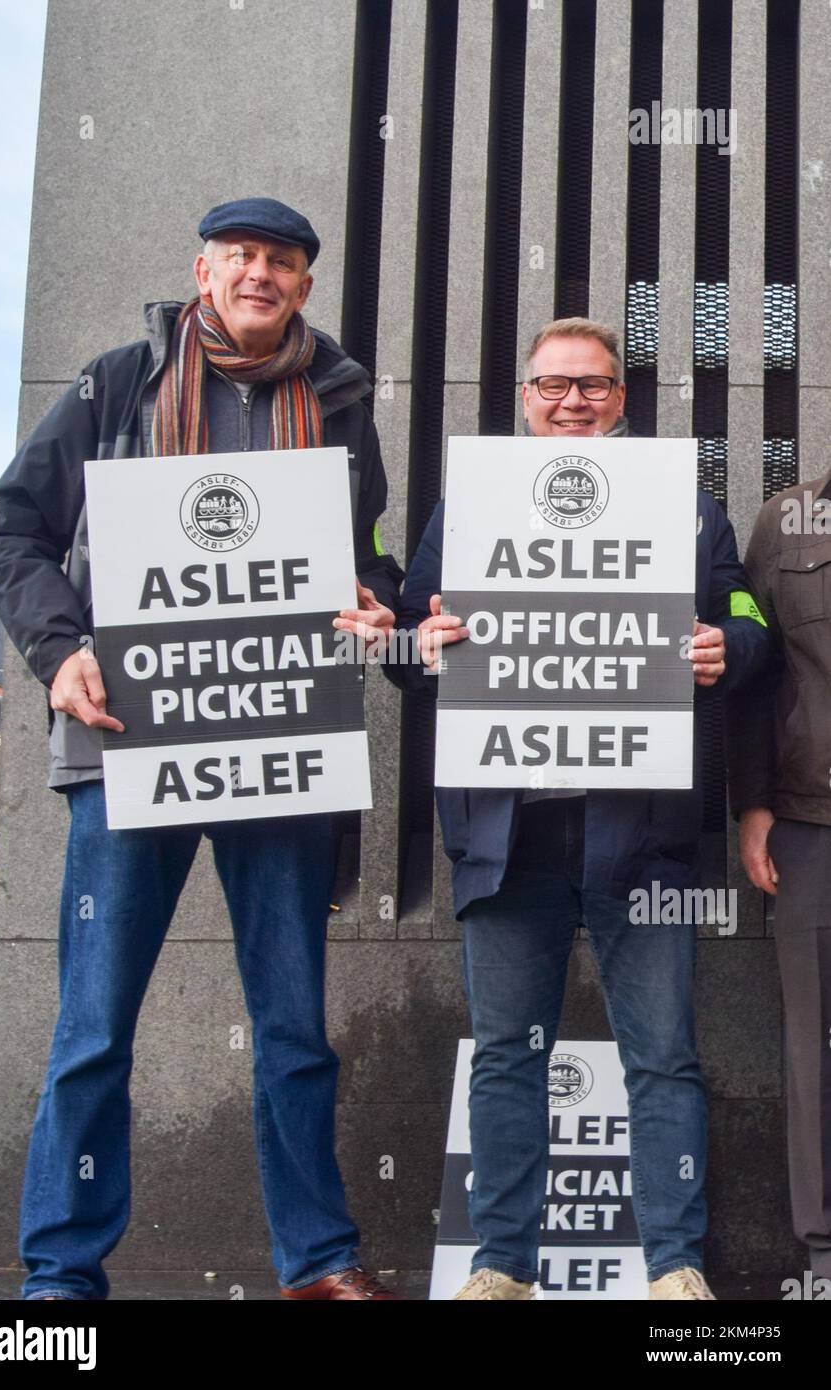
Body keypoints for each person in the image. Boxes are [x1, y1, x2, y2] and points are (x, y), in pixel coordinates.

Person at [0, 197, 403, 1301]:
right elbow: (11, 528)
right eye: (241, 256)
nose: (259, 273)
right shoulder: (116, 381)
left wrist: (376, 601)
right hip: (126, 745)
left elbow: (365, 556)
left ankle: (317, 1263)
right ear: (204, 269)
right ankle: (62, 1274)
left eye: (282, 261)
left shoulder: (341, 401)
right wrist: (58, 647)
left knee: (292, 1025)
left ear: (305, 285)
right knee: (92, 1027)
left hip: (281, 744)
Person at [386, 317, 770, 1300]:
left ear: (619, 399)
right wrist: (421, 644)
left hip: (647, 841)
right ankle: (499, 1270)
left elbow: (747, 619)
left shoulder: (689, 514)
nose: (572, 401)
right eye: (553, 384)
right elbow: (403, 651)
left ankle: (675, 1267)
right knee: (509, 1062)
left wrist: (731, 650)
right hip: (503, 837)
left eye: (592, 385)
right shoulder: (460, 514)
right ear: (524, 397)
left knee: (663, 1059)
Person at [726, 472, 831, 1285]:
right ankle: (824, 1250)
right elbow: (757, 675)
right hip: (811, 821)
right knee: (815, 1041)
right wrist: (754, 801)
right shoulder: (786, 521)